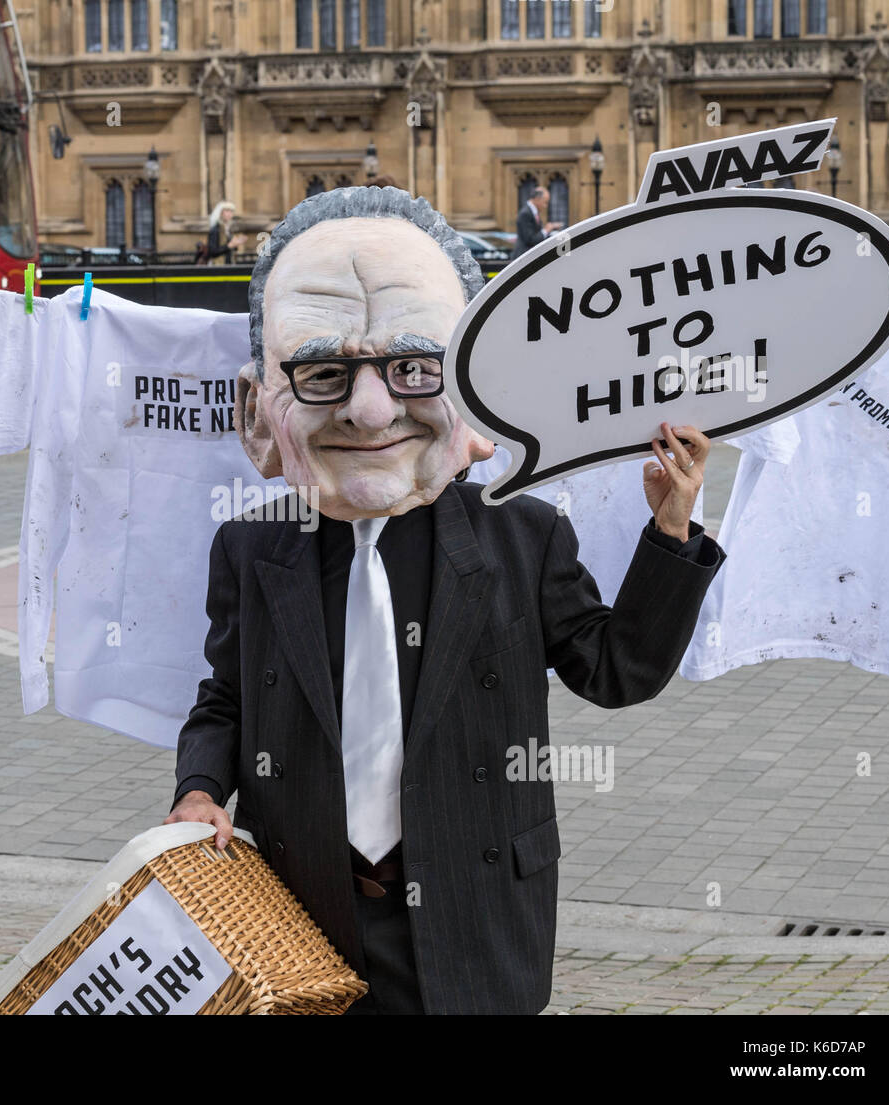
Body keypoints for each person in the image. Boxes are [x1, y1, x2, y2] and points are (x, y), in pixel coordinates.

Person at [165, 185, 725, 1015]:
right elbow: (226, 700)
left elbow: (618, 669)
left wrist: (671, 530)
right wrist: (200, 787)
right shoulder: (251, 549)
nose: (370, 408)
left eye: (413, 367)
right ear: (258, 413)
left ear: (476, 392)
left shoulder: (522, 538)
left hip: (477, 915)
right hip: (306, 922)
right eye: (323, 371)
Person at [510, 185, 563, 261]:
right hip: (523, 258)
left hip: (528, 257)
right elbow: (530, 240)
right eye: (545, 202)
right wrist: (546, 230)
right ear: (537, 199)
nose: (545, 206)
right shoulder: (525, 213)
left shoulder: (532, 212)